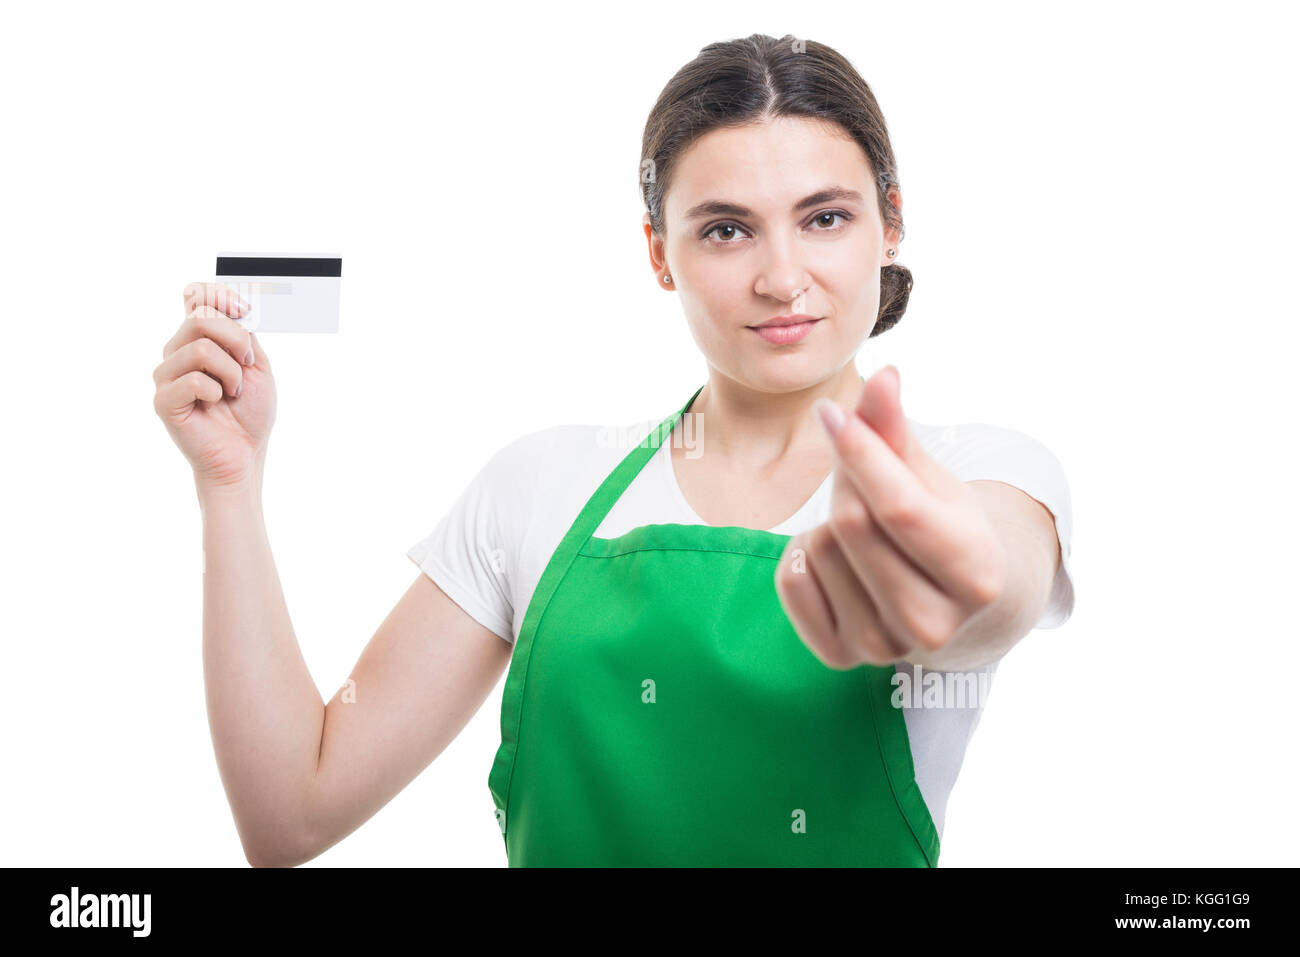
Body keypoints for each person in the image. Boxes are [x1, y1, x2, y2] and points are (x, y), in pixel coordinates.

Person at [153, 33, 1074, 868]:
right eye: (725, 228)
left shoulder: (978, 471)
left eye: (825, 217)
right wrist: (229, 483)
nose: (782, 276)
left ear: (891, 223)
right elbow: (290, 814)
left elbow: (992, 586)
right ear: (659, 253)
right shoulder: (542, 484)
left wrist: (944, 580)